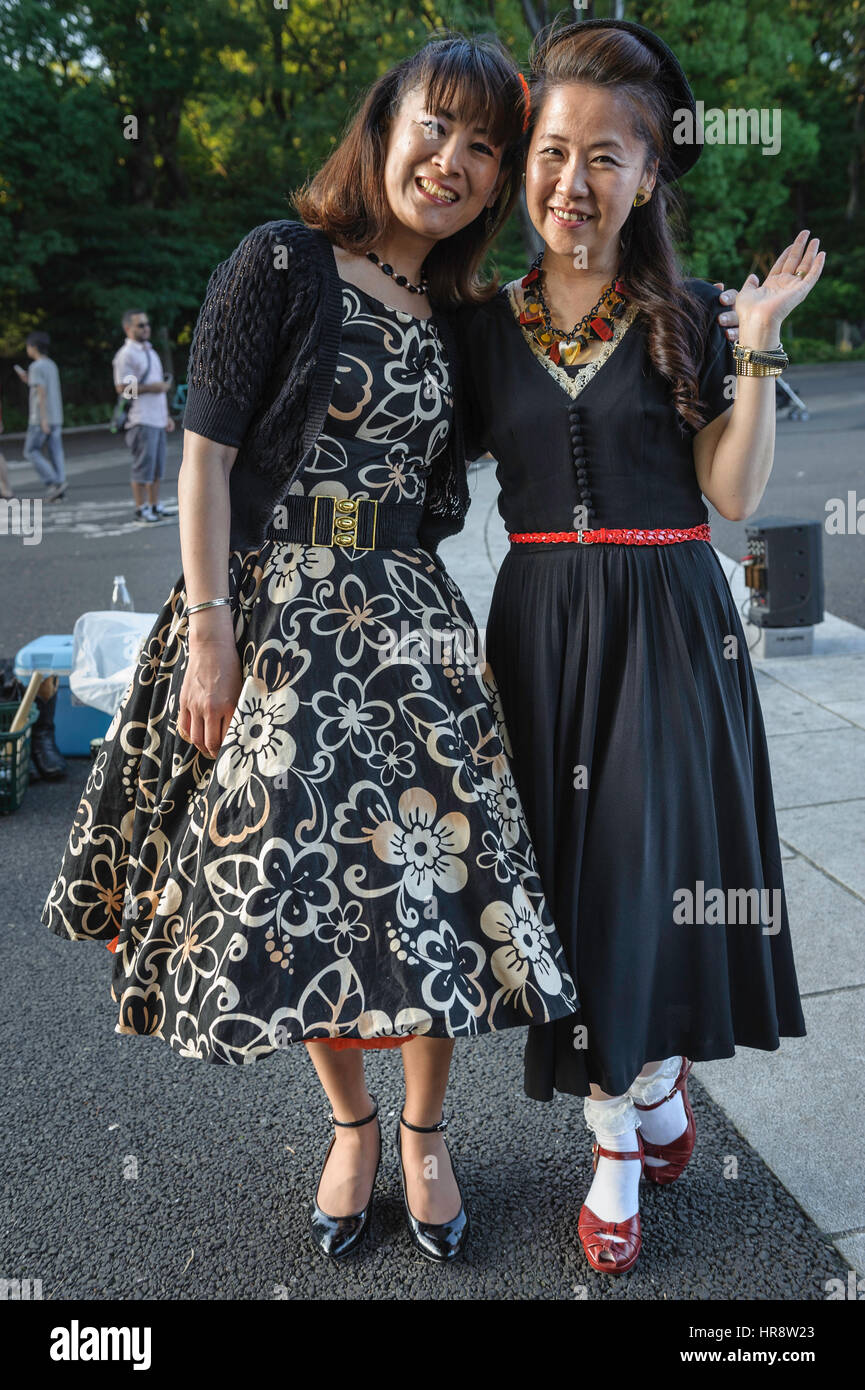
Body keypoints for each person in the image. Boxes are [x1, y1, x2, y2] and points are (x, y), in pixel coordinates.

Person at [40, 34, 581, 1267]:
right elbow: (206, 457)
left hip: (413, 627)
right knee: (300, 891)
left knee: (433, 885)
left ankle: (425, 1131)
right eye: (433, 126)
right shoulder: (280, 260)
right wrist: (210, 630)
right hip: (273, 620)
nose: (450, 160)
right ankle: (351, 1122)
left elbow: (555, 399)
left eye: (483, 147)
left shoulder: (465, 316)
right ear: (384, 125)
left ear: (497, 184)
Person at [453, 17, 815, 1274]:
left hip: (669, 627)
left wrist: (757, 342)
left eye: (606, 156)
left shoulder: (691, 314)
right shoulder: (477, 323)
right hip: (539, 636)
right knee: (567, 889)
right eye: (552, 153)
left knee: (641, 877)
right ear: (523, 164)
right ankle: (654, 1089)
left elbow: (734, 493)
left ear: (650, 173)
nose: (573, 182)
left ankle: (614, 1144)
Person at [112, 310, 176, 524]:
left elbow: (159, 390)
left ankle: (154, 505)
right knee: (142, 468)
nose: (146, 328)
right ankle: (141, 508)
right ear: (128, 328)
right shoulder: (127, 355)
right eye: (140, 325)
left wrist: (166, 416)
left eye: (147, 324)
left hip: (157, 418)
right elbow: (124, 389)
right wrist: (153, 387)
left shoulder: (150, 352)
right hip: (140, 419)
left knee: (157, 468)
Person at [15, 331, 66, 501]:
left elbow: (41, 394)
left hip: (40, 417)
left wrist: (43, 419)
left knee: (30, 451)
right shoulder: (51, 364)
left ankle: (53, 481)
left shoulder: (36, 367)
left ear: (34, 347)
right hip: (56, 415)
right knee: (56, 451)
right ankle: (60, 483)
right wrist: (28, 380)